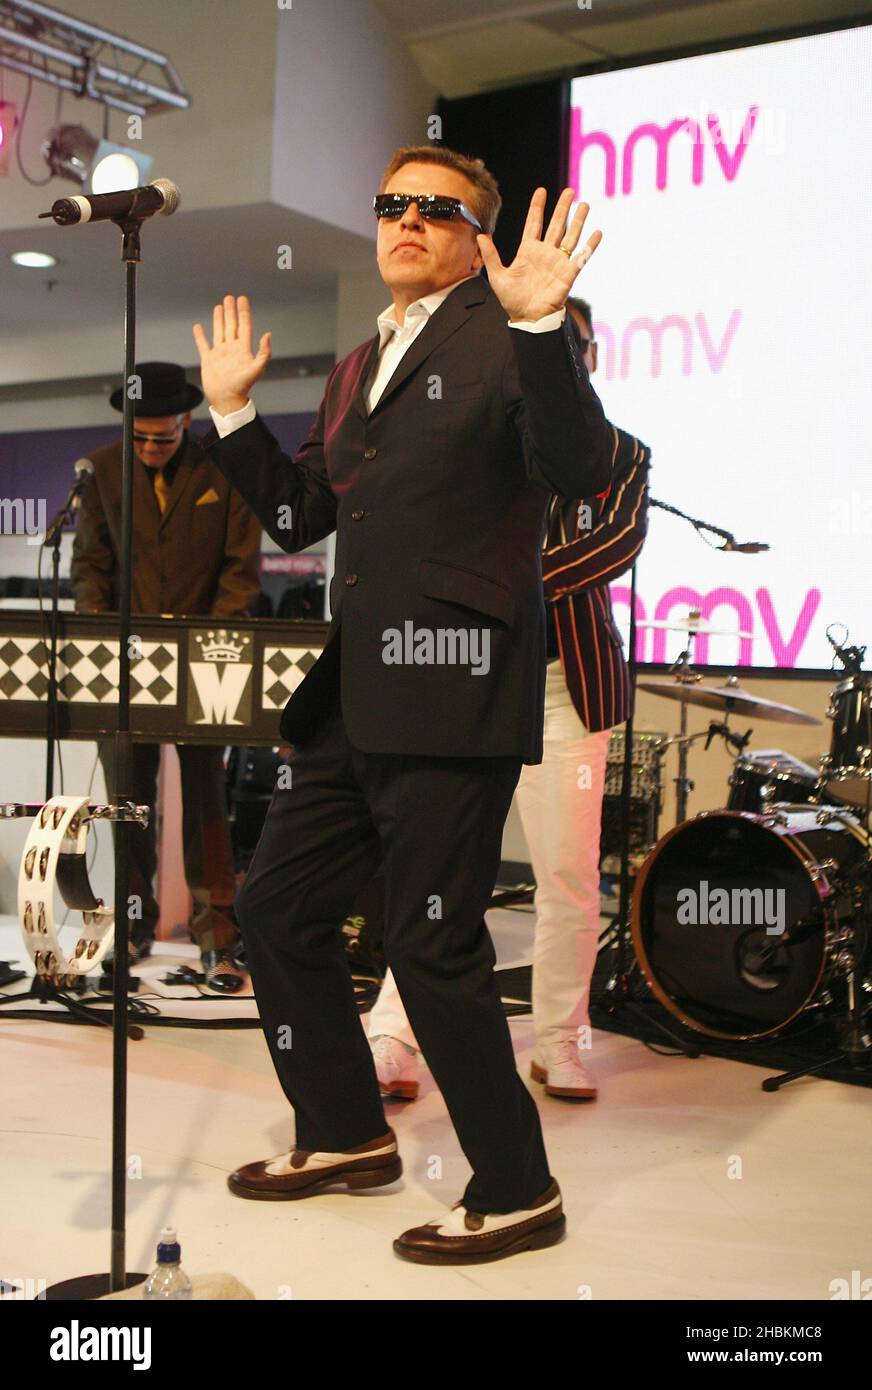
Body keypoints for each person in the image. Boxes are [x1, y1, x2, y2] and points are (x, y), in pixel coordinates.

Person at [192, 144, 612, 1263]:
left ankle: (518, 1186)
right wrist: (234, 419)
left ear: (478, 238)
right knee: (276, 911)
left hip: (455, 686)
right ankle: (343, 1133)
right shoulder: (360, 360)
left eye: (437, 208)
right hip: (353, 695)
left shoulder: (517, 327)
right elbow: (298, 523)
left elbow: (576, 466)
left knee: (430, 945)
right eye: (391, 204)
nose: (407, 221)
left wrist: (536, 330)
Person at [367, 295, 651, 1101]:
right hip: (464, 679)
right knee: (437, 867)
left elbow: (611, 546)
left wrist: (497, 587)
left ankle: (559, 1038)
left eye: (576, 344)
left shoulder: (624, 455)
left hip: (564, 687)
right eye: (547, 342)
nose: (563, 354)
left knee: (565, 878)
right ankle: (394, 1033)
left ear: (591, 358)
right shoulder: (474, 438)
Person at [70, 361, 262, 993]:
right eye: (141, 438)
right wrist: (101, 642)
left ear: (188, 421)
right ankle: (130, 930)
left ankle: (218, 942)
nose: (151, 449)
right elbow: (90, 570)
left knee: (209, 803)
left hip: (205, 661)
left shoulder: (224, 468)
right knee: (127, 803)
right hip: (121, 668)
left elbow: (241, 570)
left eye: (165, 437)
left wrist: (210, 644)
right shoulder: (100, 471)